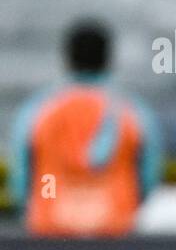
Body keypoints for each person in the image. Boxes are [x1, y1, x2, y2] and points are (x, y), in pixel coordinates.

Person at [9, 21, 163, 238]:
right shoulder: (134, 112)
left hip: (50, 223)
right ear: (108, 59)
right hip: (115, 225)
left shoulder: (37, 110)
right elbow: (147, 178)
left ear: (67, 59)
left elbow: (22, 178)